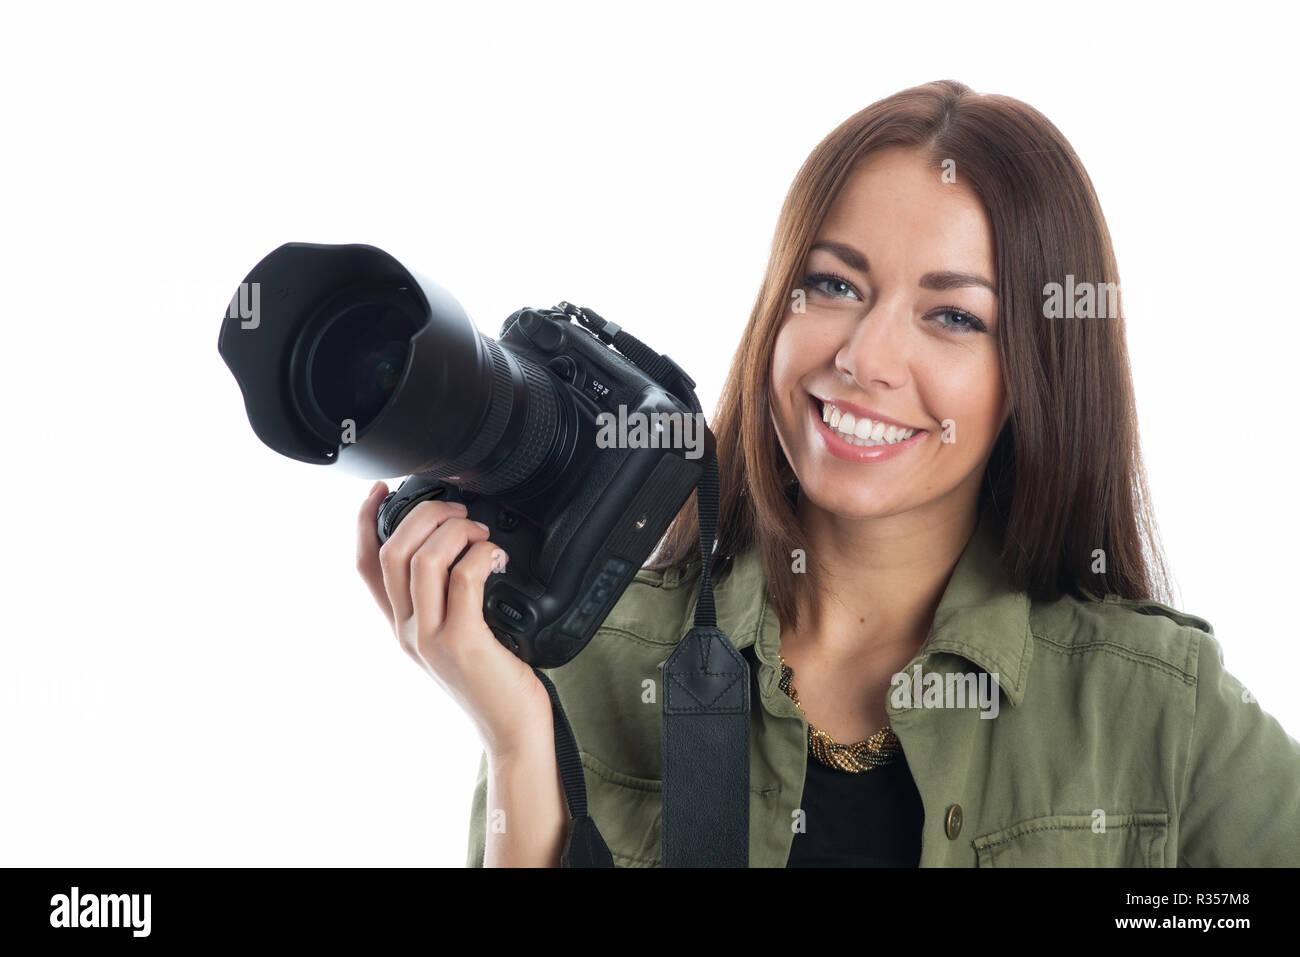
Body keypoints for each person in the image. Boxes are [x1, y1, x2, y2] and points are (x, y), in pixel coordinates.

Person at [355, 79, 1300, 867]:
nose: (866, 356)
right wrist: (519, 742)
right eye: (835, 285)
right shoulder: (590, 658)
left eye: (954, 316)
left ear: (1037, 374)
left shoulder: (1153, 705)